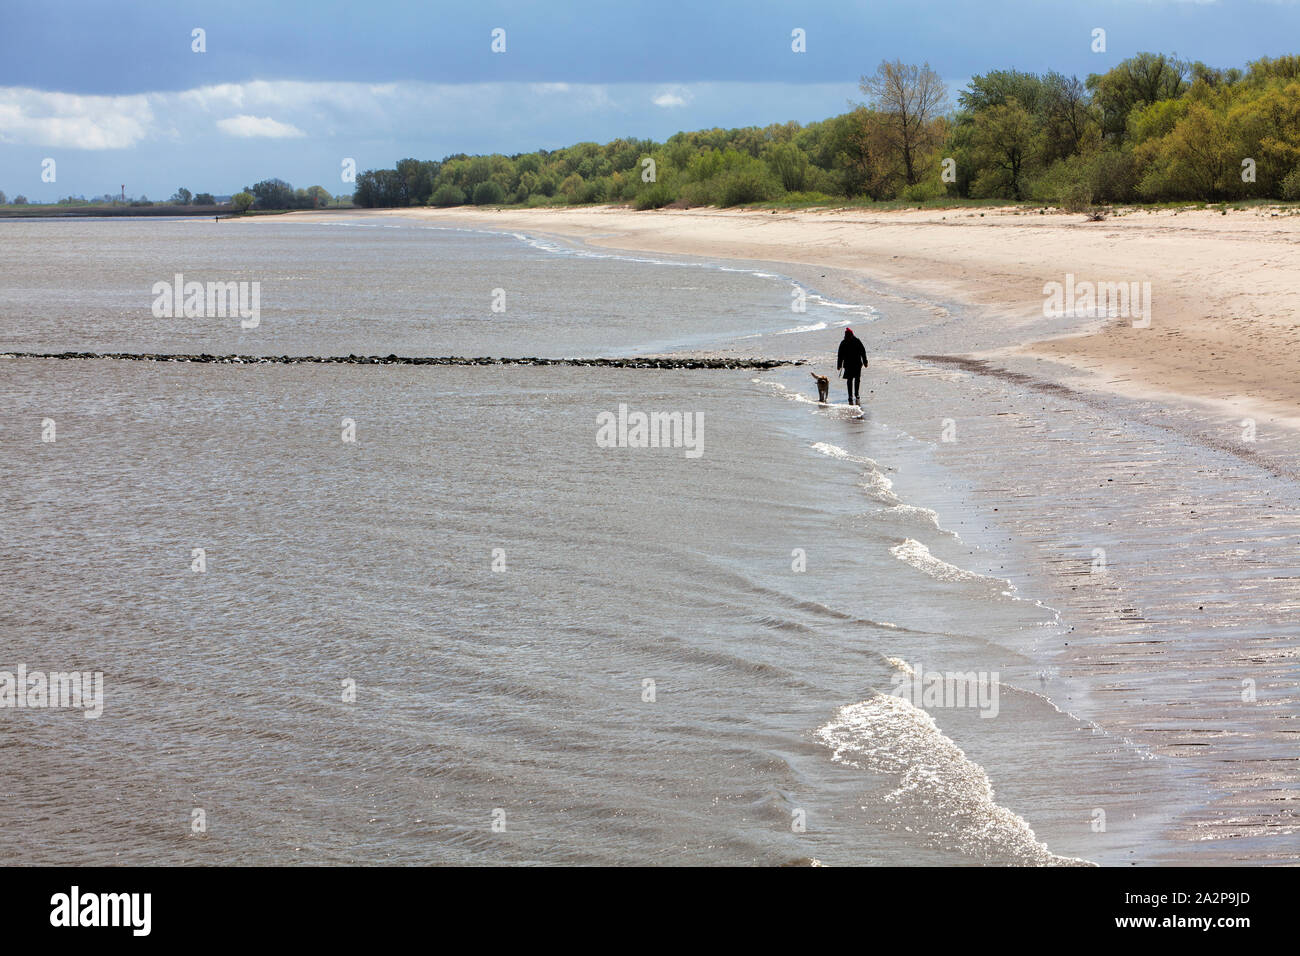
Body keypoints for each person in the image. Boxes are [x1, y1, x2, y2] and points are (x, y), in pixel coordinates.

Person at [836, 327, 867, 405]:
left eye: (847, 335)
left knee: (857, 379)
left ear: (851, 335)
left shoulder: (857, 341)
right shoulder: (843, 342)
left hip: (857, 363)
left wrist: (865, 361)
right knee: (850, 380)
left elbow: (863, 351)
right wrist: (839, 365)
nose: (846, 336)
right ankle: (850, 395)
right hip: (848, 364)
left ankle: (856, 394)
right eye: (846, 335)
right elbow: (840, 355)